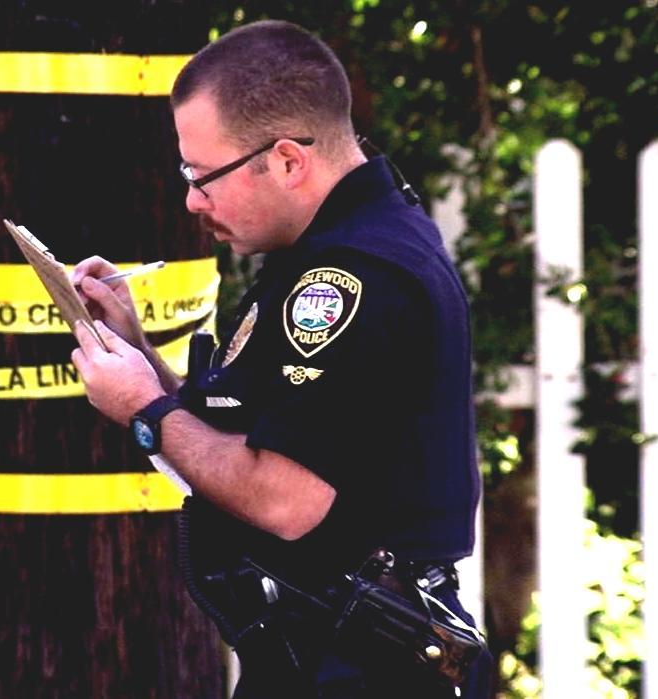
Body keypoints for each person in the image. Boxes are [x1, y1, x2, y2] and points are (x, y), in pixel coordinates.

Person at [70, 19, 491, 698]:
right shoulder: (349, 243)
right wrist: (139, 352)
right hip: (327, 655)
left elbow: (284, 498)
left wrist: (144, 410)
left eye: (203, 176)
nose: (191, 199)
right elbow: (252, 439)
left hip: (361, 666)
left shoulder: (351, 276)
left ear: (289, 160)